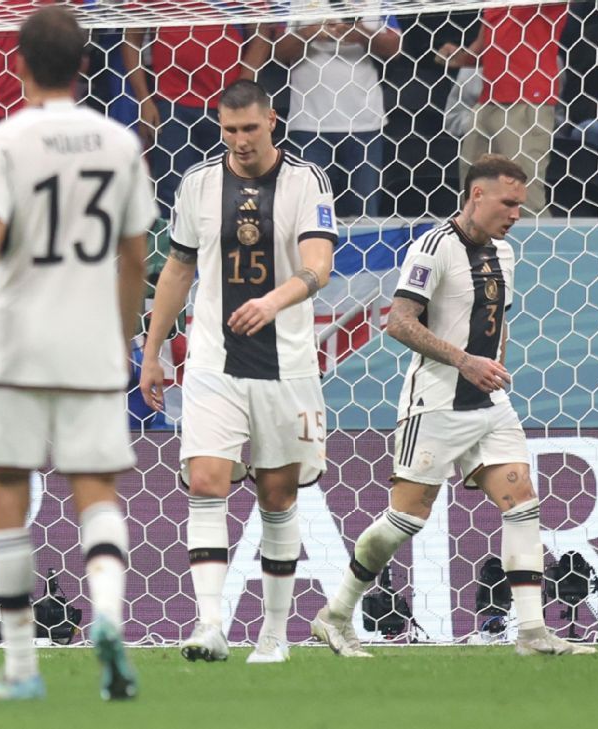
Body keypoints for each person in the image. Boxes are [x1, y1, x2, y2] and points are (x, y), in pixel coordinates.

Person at [0, 6, 155, 701]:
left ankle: (20, 666)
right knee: (95, 488)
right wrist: (122, 337)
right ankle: (107, 616)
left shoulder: (2, 142)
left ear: (21, 64)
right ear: (87, 67)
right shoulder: (120, 144)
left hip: (14, 343)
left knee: (8, 488)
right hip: (91, 342)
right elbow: (135, 256)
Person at [310, 154, 597, 658]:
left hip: (490, 403)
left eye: (521, 205)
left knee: (523, 502)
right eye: (508, 203)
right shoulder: (434, 247)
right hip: (436, 404)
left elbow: (495, 317)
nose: (515, 213)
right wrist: (466, 361)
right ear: (476, 195)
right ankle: (335, 614)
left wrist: (494, 363)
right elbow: (398, 322)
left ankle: (531, 632)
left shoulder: (504, 253)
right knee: (406, 521)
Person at [139, 79, 338, 664]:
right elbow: (176, 271)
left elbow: (319, 266)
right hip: (212, 362)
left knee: (277, 496)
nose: (240, 140)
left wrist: (272, 303)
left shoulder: (306, 180)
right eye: (229, 130)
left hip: (287, 366)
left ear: (272, 121)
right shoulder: (198, 184)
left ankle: (274, 634)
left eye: (249, 128)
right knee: (206, 481)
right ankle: (209, 624)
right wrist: (153, 351)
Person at [122, 18, 271, 218]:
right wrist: (144, 100)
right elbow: (131, 36)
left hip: (228, 109)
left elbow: (262, 30)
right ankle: (172, 247)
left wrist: (242, 88)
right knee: (173, 192)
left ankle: (224, 248)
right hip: (170, 105)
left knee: (228, 193)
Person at [437, 4, 569, 213]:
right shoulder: (495, 3)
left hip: (528, 101)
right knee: (474, 191)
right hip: (488, 100)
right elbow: (484, 46)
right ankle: (475, 244)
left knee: (522, 194)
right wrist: (457, 56)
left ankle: (535, 245)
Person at [276, 4, 401, 218]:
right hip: (308, 124)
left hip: (364, 125)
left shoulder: (377, 4)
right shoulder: (294, 3)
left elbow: (395, 48)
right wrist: (311, 32)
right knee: (307, 214)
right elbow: (277, 51)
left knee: (364, 218)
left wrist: (359, 34)